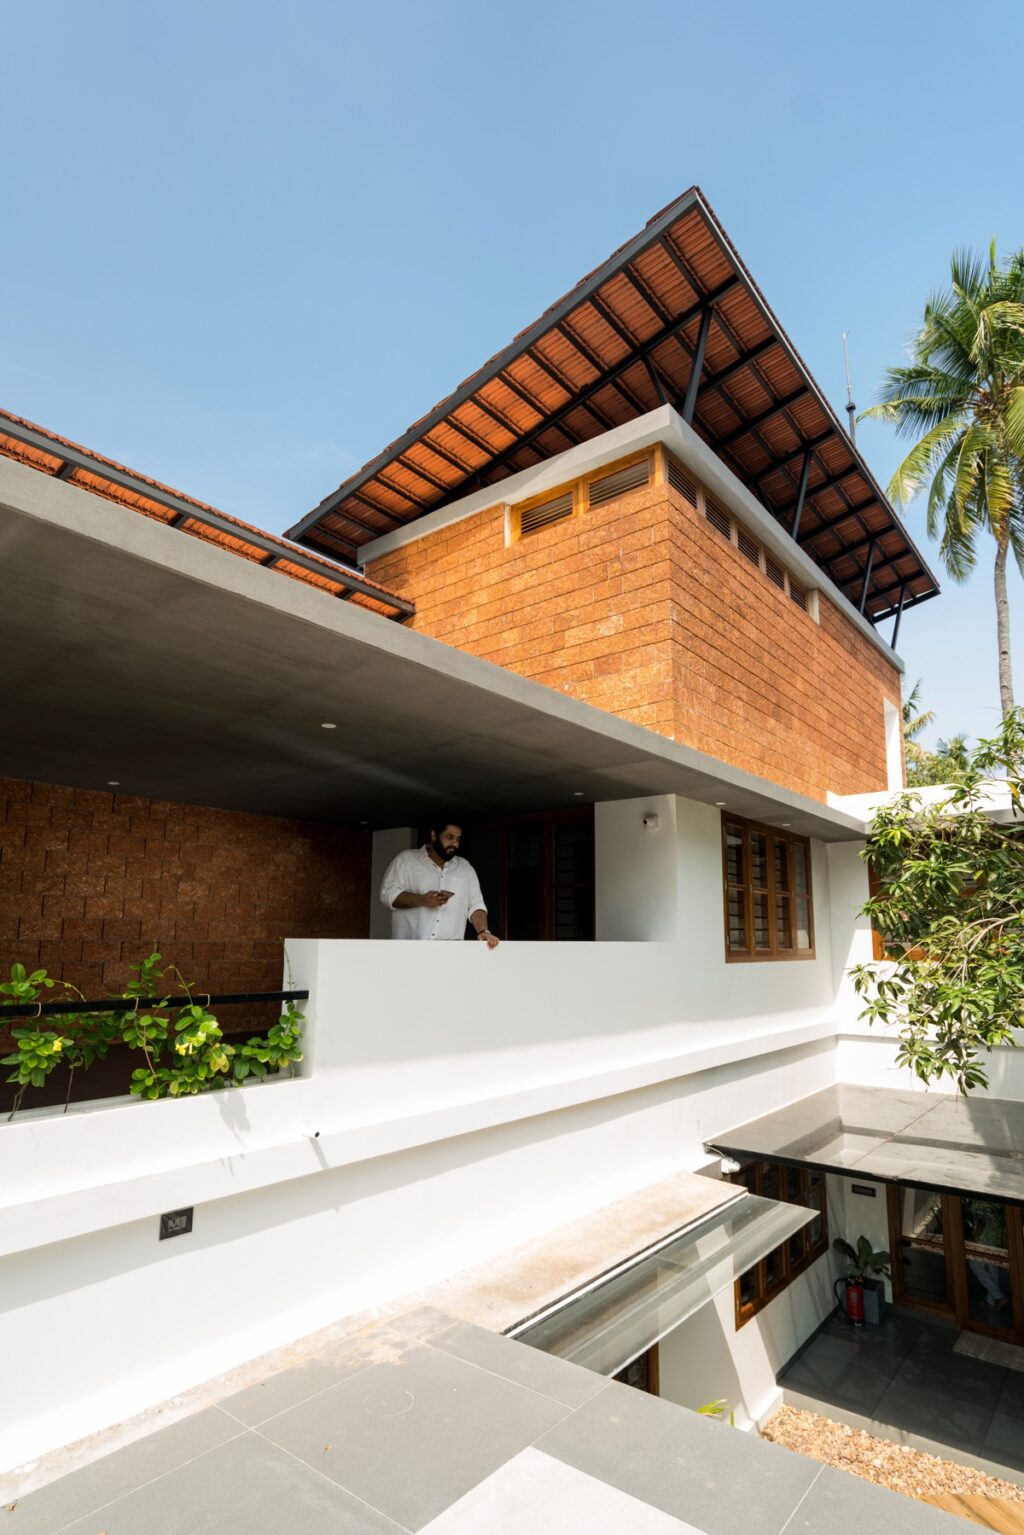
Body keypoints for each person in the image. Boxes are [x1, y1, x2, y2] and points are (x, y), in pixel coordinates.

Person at [380, 819, 499, 947]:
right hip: (409, 949)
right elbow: (387, 895)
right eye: (450, 837)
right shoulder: (406, 860)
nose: (455, 844)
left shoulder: (465, 868)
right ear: (434, 835)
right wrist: (421, 900)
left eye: (458, 839)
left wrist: (483, 931)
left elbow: (476, 905)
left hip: (451, 952)